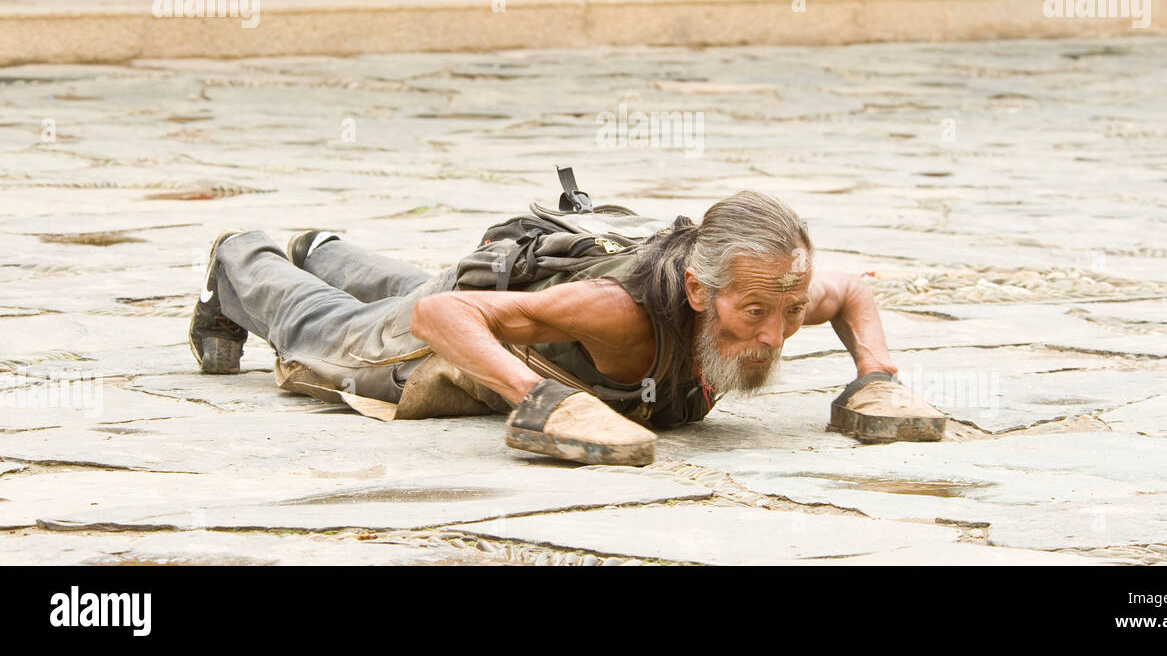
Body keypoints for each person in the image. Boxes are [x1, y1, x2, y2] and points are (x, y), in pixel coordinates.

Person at [188, 190, 946, 466]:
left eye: (789, 311)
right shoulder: (615, 313)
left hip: (513, 294)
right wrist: (536, 398)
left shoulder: (774, 294)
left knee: (417, 285)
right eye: (754, 314)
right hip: (472, 325)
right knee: (328, 334)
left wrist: (874, 378)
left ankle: (321, 248)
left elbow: (849, 292)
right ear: (695, 289)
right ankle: (239, 256)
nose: (778, 334)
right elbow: (439, 314)